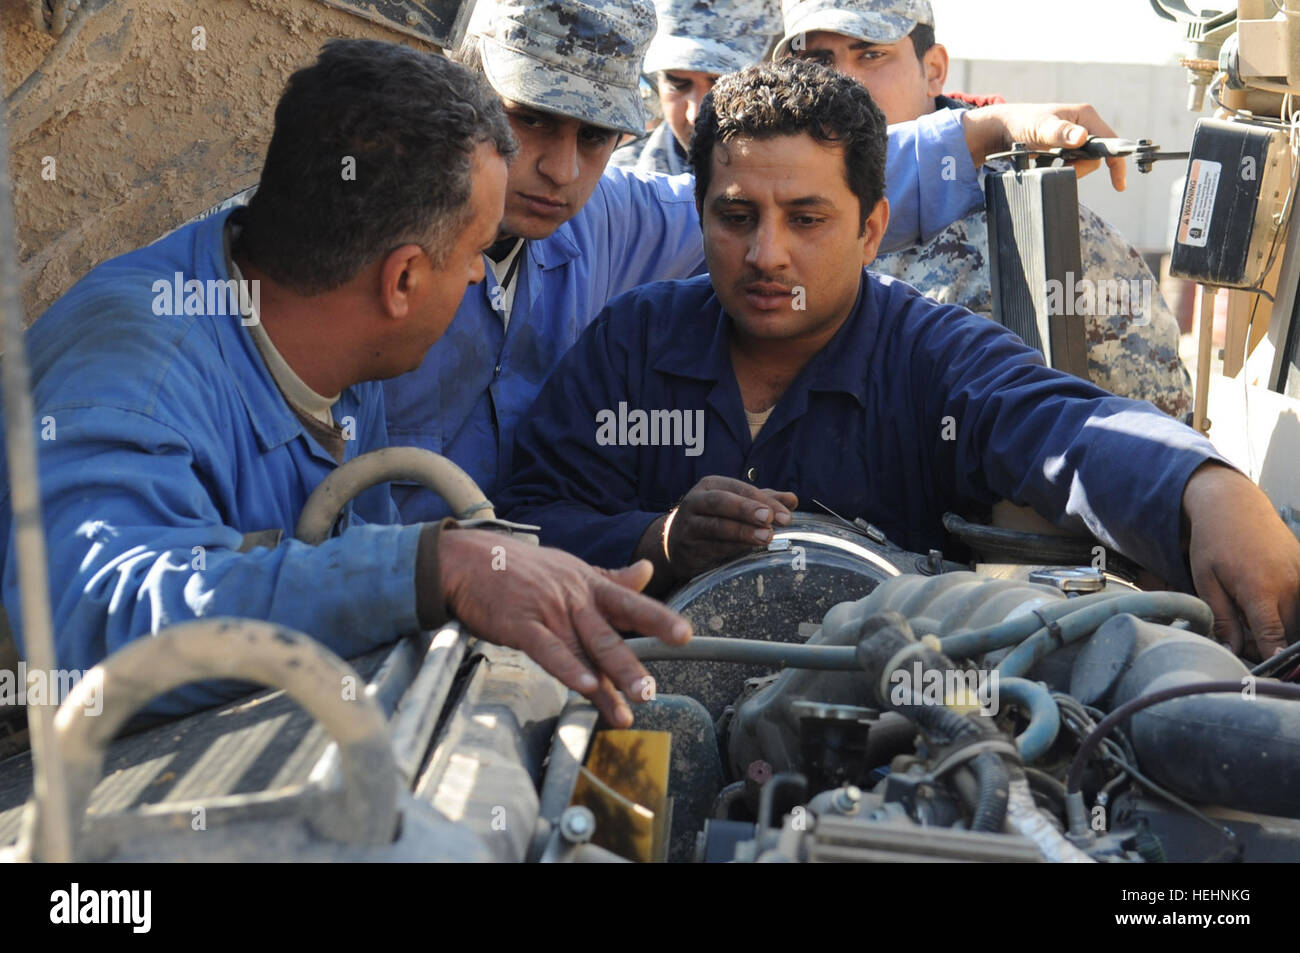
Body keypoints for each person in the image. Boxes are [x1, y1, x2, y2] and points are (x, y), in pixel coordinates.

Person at [499, 61, 1300, 661]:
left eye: (807, 218)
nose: (765, 253)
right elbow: (525, 527)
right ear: (699, 211)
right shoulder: (632, 342)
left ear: (872, 228)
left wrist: (1207, 488)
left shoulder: (931, 357)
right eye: (735, 216)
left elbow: (1064, 427)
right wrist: (659, 541)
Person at [0, 40, 694, 728]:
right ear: (401, 280)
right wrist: (431, 568)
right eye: (478, 254)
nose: (485, 278)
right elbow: (95, 635)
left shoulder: (341, 346)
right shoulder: (131, 376)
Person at [380, 0, 1133, 524]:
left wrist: (985, 131)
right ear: (465, 83)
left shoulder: (607, 219)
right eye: (531, 119)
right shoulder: (352, 239)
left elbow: (807, 184)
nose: (561, 168)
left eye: (596, 134)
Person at [775, 0, 1193, 419]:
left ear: (933, 69)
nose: (846, 82)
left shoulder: (1036, 230)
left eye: (871, 54)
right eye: (818, 61)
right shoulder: (761, 225)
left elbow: (1157, 428)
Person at [609, 0, 782, 175]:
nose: (695, 114)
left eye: (724, 86)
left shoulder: (804, 177)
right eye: (677, 84)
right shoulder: (616, 185)